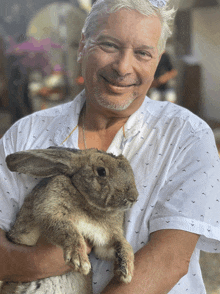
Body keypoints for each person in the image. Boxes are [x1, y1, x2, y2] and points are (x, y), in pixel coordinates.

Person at [0, 0, 220, 293]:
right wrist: (48, 261)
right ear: (82, 46)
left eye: (142, 53)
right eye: (109, 45)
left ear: (157, 60)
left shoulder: (188, 136)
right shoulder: (26, 134)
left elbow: (169, 260)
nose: (123, 67)